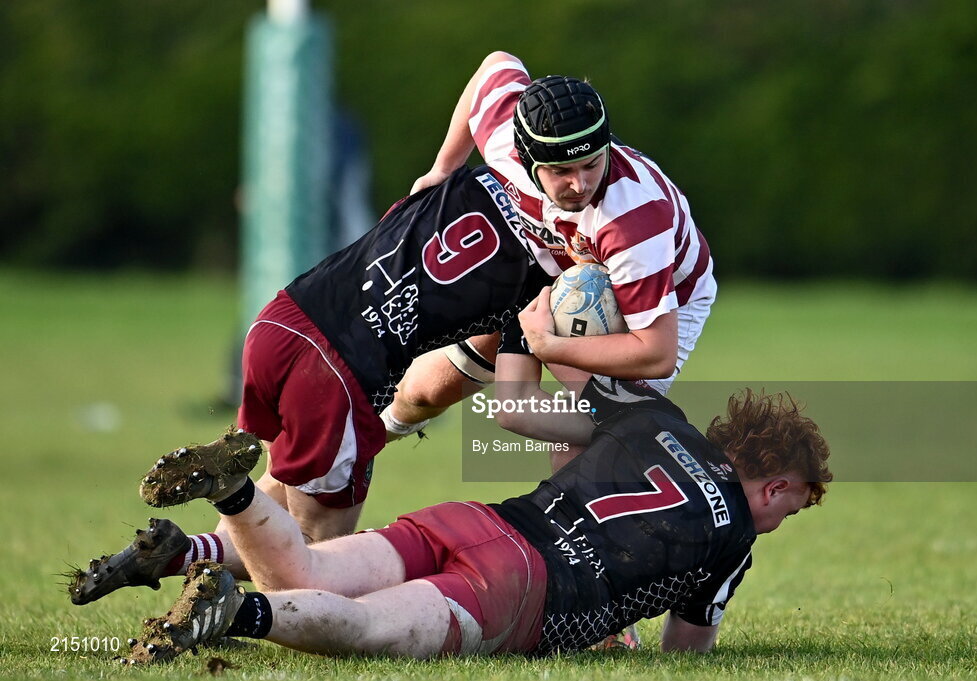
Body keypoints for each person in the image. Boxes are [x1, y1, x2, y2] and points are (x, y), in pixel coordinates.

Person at [65, 165, 552, 606]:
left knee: (275, 505)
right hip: (335, 377)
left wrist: (443, 164)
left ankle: (181, 556)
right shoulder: (544, 275)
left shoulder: (467, 179)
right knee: (315, 574)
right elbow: (469, 399)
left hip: (279, 323)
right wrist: (602, 422)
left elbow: (497, 66)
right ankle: (227, 593)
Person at [107, 375, 831, 664]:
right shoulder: (734, 531)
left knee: (311, 570)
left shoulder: (654, 416)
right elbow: (687, 648)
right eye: (793, 506)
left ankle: (236, 491)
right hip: (520, 586)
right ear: (774, 486)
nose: (781, 517)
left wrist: (526, 322)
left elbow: (517, 408)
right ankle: (232, 610)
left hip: (481, 518)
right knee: (365, 630)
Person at [386, 51, 717, 437]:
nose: (579, 184)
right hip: (551, 269)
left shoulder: (633, 223)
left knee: (574, 427)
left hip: (652, 302)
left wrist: (548, 346)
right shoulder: (506, 148)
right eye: (561, 171)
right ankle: (376, 436)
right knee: (424, 392)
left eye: (592, 164)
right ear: (527, 161)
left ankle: (650, 444)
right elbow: (495, 66)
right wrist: (443, 168)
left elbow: (655, 351)